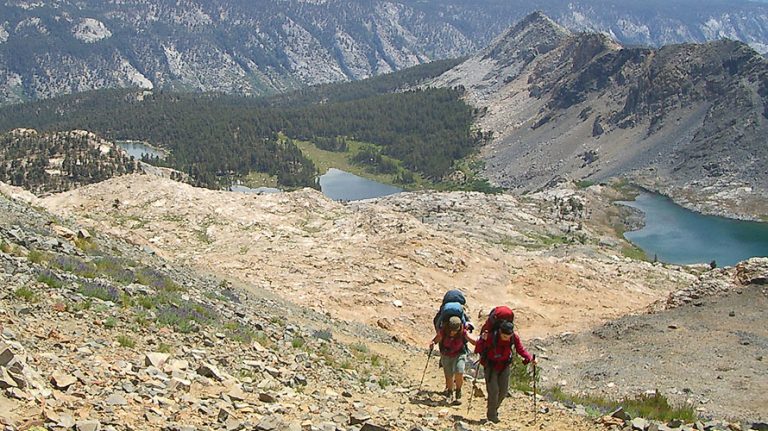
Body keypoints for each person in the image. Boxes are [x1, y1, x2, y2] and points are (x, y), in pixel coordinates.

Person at [475, 320, 536, 423]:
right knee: (493, 391)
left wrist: (530, 358)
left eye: (508, 336)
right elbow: (477, 349)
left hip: (504, 365)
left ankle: (494, 409)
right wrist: (482, 340)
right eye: (504, 336)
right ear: (499, 331)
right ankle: (491, 415)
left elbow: (520, 349)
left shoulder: (513, 337)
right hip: (491, 366)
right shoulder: (491, 336)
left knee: (503, 392)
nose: (506, 338)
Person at [430, 315, 476, 403]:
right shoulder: (444, 330)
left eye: (455, 330)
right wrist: (433, 343)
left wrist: (482, 344)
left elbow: (472, 341)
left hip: (459, 354)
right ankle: (450, 392)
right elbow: (437, 338)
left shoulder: (463, 331)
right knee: (449, 375)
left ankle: (458, 390)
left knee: (459, 371)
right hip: (446, 354)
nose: (453, 332)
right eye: (451, 330)